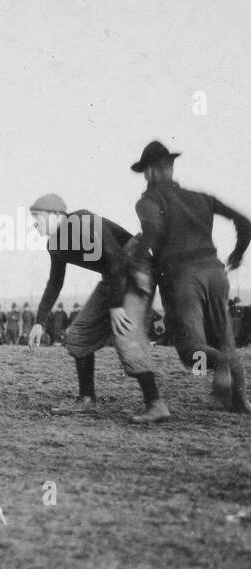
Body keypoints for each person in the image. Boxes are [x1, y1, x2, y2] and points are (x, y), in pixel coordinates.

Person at [130, 140, 251, 411]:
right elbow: (245, 223)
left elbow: (152, 230)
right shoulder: (200, 199)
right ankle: (241, 400)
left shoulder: (149, 201)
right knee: (225, 338)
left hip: (181, 277)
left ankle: (217, 364)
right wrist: (238, 254)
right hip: (216, 272)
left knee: (190, 350)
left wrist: (137, 263)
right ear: (170, 168)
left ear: (150, 171)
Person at [26, 193, 168, 422]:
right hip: (114, 276)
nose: (33, 223)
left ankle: (155, 403)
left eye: (37, 216)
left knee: (125, 333)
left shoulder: (82, 222)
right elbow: (55, 283)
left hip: (136, 268)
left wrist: (116, 306)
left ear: (55, 215)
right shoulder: (55, 244)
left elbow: (118, 260)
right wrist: (39, 322)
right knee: (79, 336)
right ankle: (87, 399)